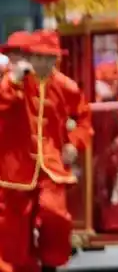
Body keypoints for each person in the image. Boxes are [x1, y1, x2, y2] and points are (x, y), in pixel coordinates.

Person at [0, 30, 92, 272]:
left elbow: (84, 120)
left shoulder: (66, 86)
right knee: (15, 231)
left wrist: (74, 143)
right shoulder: (15, 81)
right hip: (15, 168)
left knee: (56, 215)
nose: (43, 62)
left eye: (48, 58)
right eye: (38, 57)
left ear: (56, 60)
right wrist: (13, 81)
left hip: (51, 165)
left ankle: (51, 261)